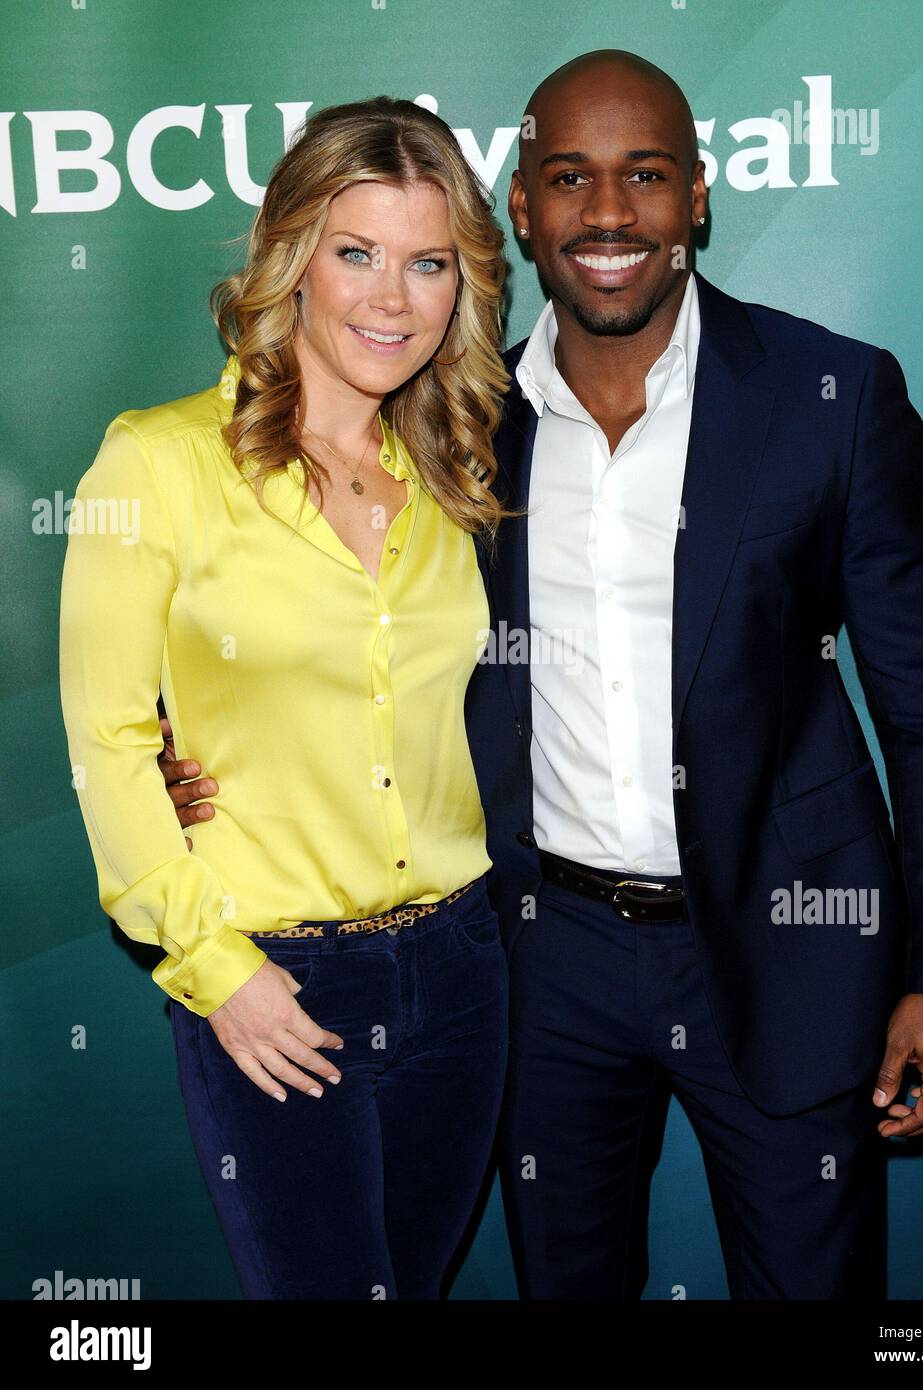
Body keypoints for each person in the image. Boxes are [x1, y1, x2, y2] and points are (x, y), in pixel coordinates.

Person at [165, 52, 923, 1301]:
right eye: (570, 178)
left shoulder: (832, 397)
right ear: (520, 208)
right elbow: (341, 633)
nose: (608, 215)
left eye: (644, 177)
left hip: (791, 950)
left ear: (697, 199)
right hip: (538, 961)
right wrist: (198, 757)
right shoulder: (451, 420)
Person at [59, 97, 513, 1301]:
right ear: (290, 255)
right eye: (355, 252)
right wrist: (219, 969)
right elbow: (106, 742)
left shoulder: (456, 475)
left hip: (463, 966)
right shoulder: (155, 463)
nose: (390, 298)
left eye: (427, 264)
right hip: (275, 982)